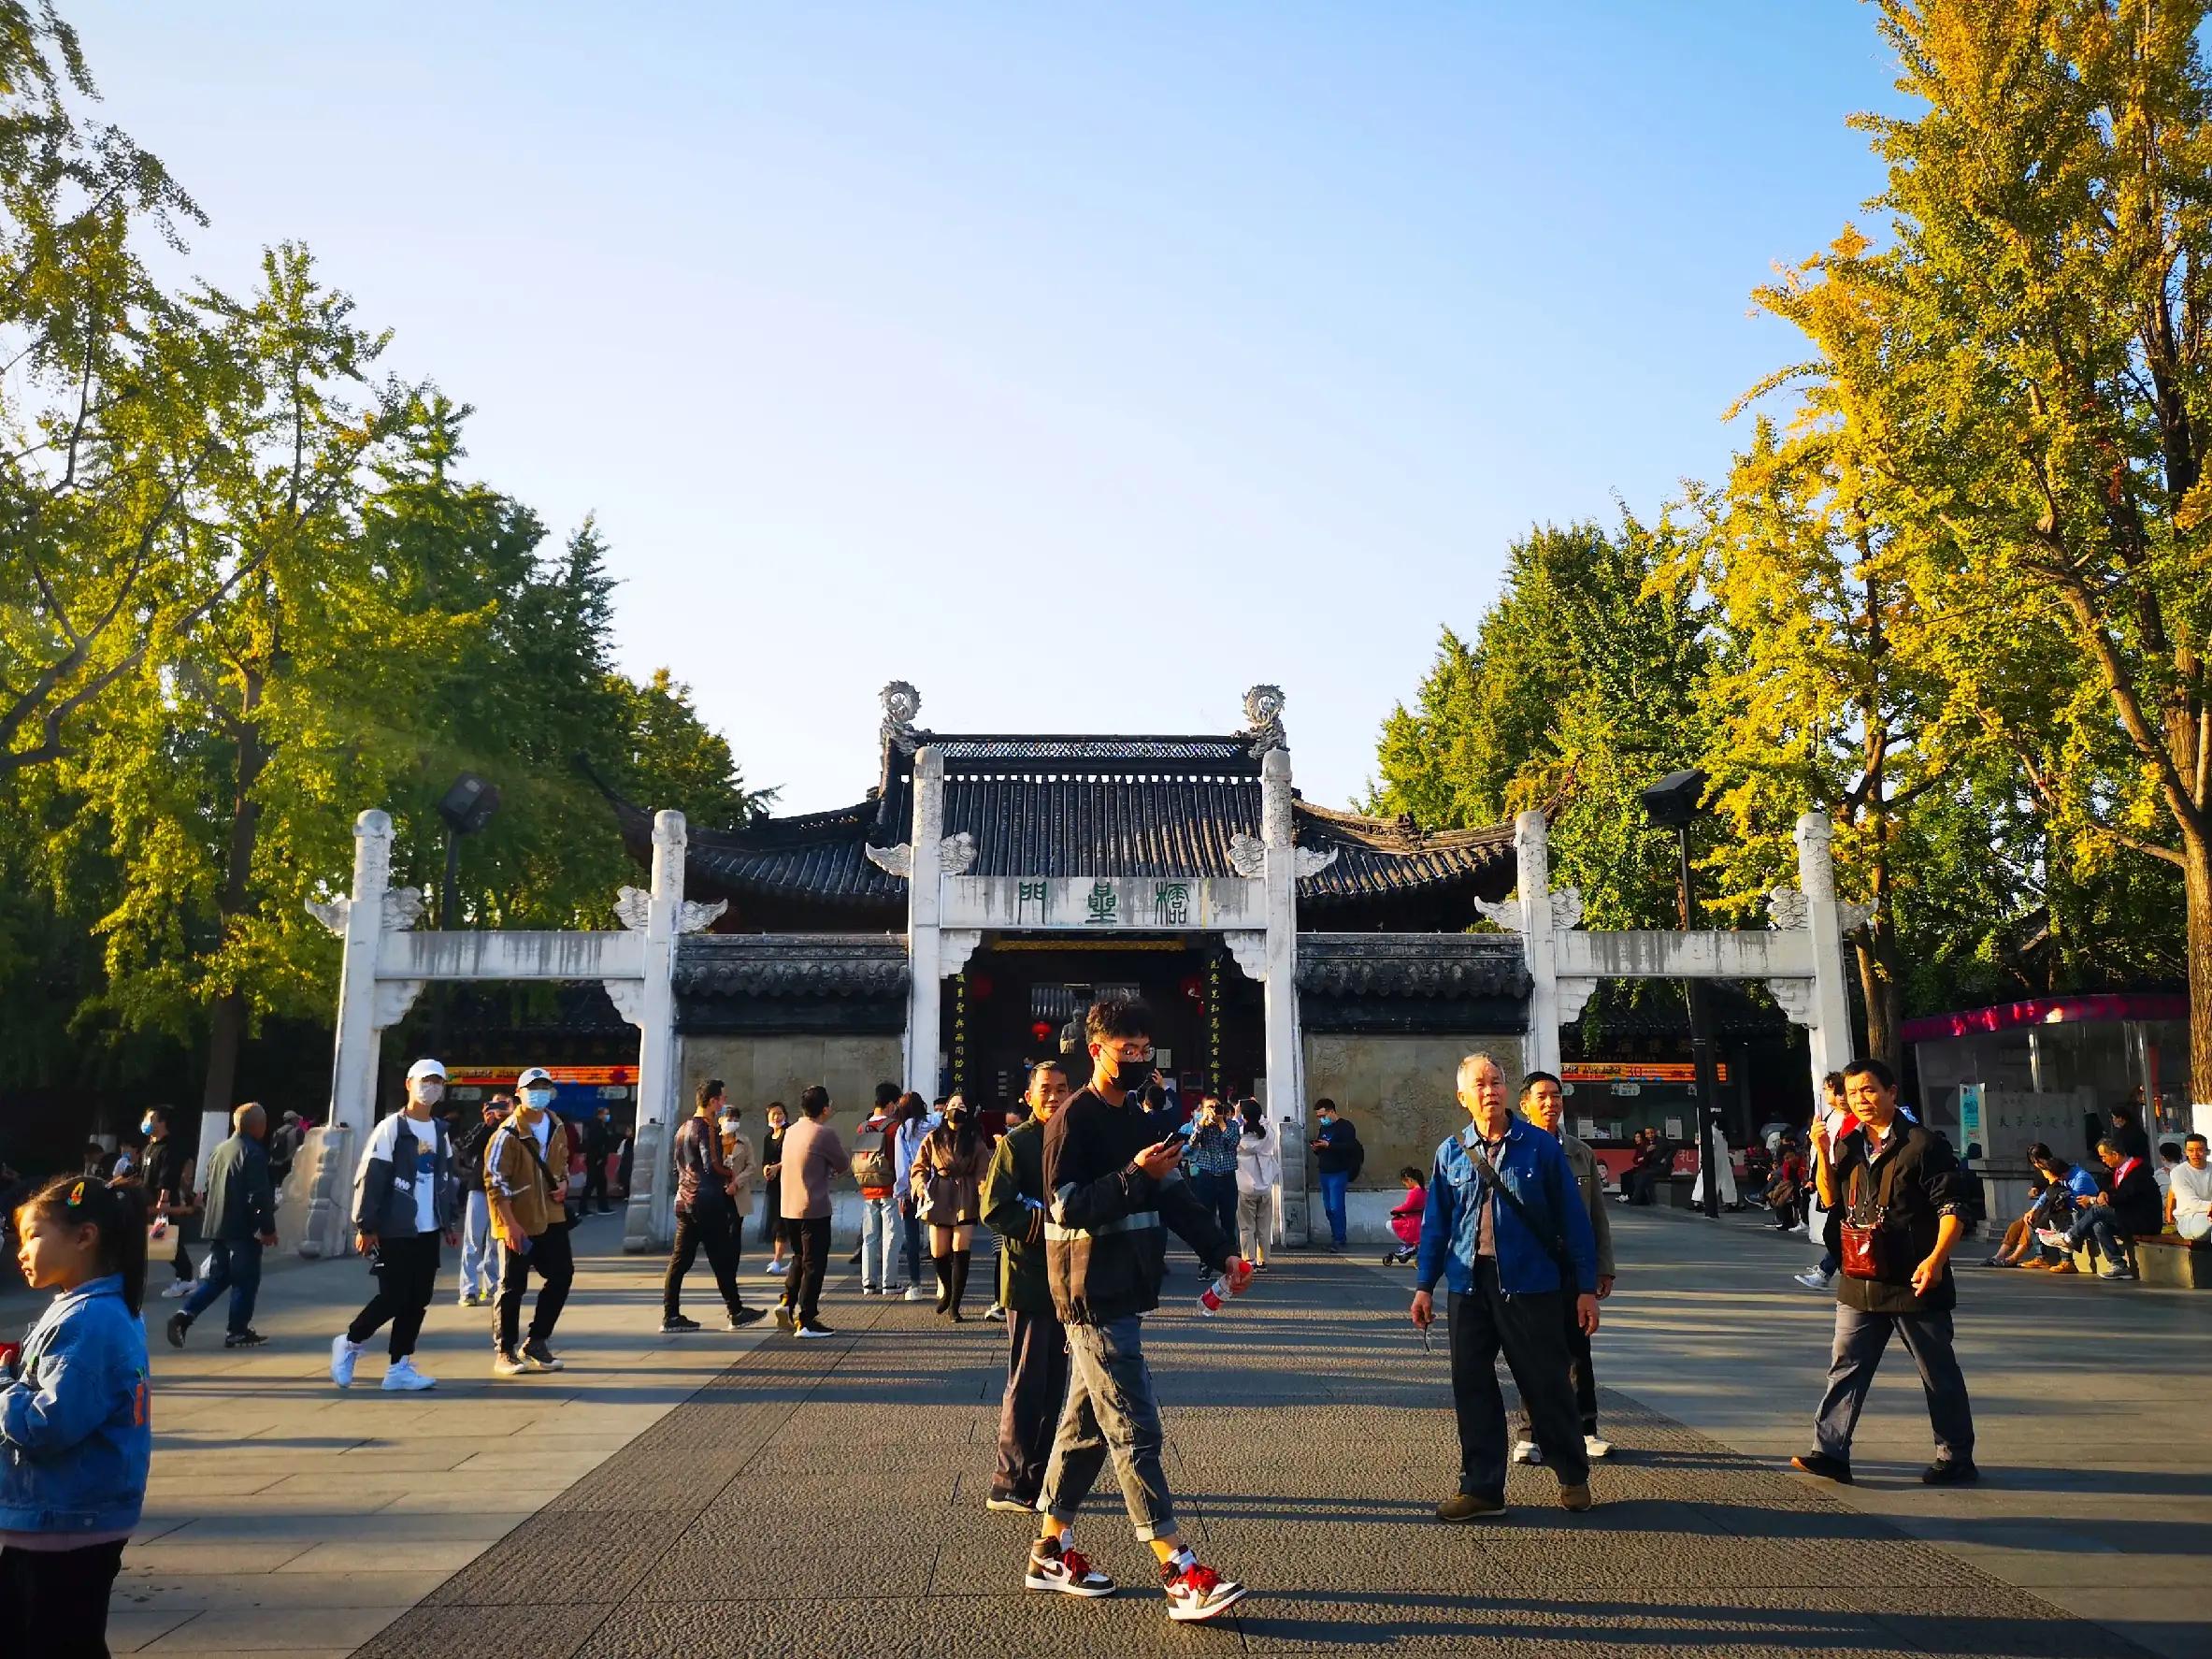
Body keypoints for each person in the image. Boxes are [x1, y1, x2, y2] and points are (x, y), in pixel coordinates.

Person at [1025, 998, 1250, 1623]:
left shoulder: (1140, 1118)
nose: (1139, 1061)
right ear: (1096, 1050)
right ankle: (1178, 1567)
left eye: (1145, 1050)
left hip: (1126, 1285)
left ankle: (1048, 1548)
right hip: (1089, 1291)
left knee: (1087, 1427)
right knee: (1133, 1426)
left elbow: (1173, 1195)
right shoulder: (1072, 1120)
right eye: (1128, 1051)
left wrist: (1223, 1253)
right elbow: (1065, 1205)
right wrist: (1132, 1175)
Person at [1412, 1053, 1598, 1522]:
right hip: (1468, 1284)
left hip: (1531, 1284)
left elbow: (1574, 1221)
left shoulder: (1539, 1147)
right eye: (1480, 1083)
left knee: (1545, 1383)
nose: (1490, 1089)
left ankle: (1572, 1474)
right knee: (1471, 1386)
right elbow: (1436, 1225)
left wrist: (1586, 1287)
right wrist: (1423, 1286)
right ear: (1463, 1098)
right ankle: (1482, 1488)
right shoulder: (1450, 1152)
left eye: (1495, 1081)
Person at [1793, 1056, 1976, 1487]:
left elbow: (1952, 1209)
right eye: (1853, 1093)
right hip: (1860, 1277)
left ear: (1892, 1092)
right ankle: (1831, 1452)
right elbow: (1830, 1198)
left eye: (1869, 1090)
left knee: (1937, 1371)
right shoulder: (1849, 1145)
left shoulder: (1923, 1145)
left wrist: (1936, 1259)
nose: (1861, 1100)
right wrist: (1820, 1150)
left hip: (1914, 1277)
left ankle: (1955, 1456)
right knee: (1845, 1366)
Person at [3, 1174, 151, 1659]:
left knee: (49, 1640)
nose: (21, 1251)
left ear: (85, 1237)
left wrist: (4, 1390)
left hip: (62, 1522)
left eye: (33, 1236)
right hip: (68, 1516)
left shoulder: (88, 1320)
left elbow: (49, 1425)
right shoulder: (94, 1308)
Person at [333, 1060, 459, 1392]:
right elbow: (372, 1177)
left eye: (437, 1082)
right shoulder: (391, 1128)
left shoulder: (439, 1132)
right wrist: (366, 1226)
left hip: (428, 1228)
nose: (431, 1087)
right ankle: (349, 1342)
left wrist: (448, 1222)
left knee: (418, 1298)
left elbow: (445, 1179)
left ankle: (399, 1366)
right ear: (409, 1084)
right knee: (393, 1297)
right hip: (395, 1227)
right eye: (425, 1081)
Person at [982, 1060, 1072, 1512]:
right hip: (1030, 1275)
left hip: (1068, 1279)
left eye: (1061, 1088)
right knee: (1026, 1380)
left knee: (1055, 1382)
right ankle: (1008, 1479)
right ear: (1028, 1095)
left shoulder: (1073, 1138)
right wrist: (1043, 1224)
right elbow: (994, 1208)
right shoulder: (1018, 1143)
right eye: (1045, 1089)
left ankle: (1037, 1474)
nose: (1053, 1096)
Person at [1513, 1072, 1616, 1464]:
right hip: (1530, 1268)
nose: (1550, 1103)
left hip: (1572, 1267)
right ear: (1524, 1104)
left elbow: (1596, 1216)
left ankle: (1586, 1428)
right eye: (1541, 1097)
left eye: (1556, 1096)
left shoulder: (1579, 1153)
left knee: (1578, 1350)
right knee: (1532, 1352)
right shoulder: (1513, 1150)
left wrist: (1602, 1268)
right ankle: (1531, 1433)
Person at [485, 1068, 576, 1377]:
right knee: (512, 1286)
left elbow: (562, 1164)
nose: (538, 1093)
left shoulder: (557, 1126)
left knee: (562, 1275)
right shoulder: (508, 1133)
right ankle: (505, 1350)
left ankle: (537, 1341)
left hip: (552, 1215)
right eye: (531, 1088)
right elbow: (495, 1182)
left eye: (544, 1087)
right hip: (518, 1220)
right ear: (519, 1094)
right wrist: (509, 1224)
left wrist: (563, 1184)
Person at [166, 1104, 276, 1351]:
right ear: (258, 1126)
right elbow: (258, 1195)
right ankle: (237, 1332)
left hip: (218, 1225)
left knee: (219, 1278)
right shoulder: (253, 1153)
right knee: (245, 1280)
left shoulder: (220, 1150)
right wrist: (267, 1228)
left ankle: (184, 1316)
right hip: (242, 1227)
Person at [662, 1079, 768, 1334]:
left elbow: (677, 1165)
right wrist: (729, 1175)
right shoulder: (706, 1127)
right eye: (721, 1099)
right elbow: (713, 1165)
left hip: (685, 1200)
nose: (723, 1105)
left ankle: (671, 1314)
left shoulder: (683, 1127)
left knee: (679, 1260)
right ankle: (736, 1311)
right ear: (711, 1101)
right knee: (722, 1257)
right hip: (707, 1201)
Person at [776, 1086, 848, 1337]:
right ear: (825, 1108)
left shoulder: (791, 1131)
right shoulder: (824, 1133)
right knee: (815, 1264)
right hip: (813, 1207)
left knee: (799, 1257)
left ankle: (787, 1301)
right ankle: (806, 1320)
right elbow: (843, 1164)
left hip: (788, 1207)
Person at [912, 1093, 991, 1320]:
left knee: (961, 1249)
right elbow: (920, 1165)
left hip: (965, 1193)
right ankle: (947, 1290)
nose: (957, 1108)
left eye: (962, 1105)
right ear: (945, 1109)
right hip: (940, 1191)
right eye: (954, 1105)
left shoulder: (974, 1139)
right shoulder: (933, 1137)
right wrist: (919, 1184)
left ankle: (955, 1304)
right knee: (939, 1251)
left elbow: (982, 1170)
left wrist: (983, 1190)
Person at [2064, 1136, 2159, 1279]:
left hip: (2143, 1219)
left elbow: (2125, 1196)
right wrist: (2103, 1193)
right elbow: (2108, 1189)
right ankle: (2119, 1265)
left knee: (2097, 1209)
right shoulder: (2117, 1171)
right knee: (2099, 1225)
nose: (2103, 1160)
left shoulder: (2138, 1171)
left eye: (2104, 1156)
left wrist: (2092, 1200)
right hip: (2127, 1216)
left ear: (2115, 1154)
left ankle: (2071, 1236)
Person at [1794, 1073, 1856, 1290]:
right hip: (1831, 1175)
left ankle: (1829, 1270)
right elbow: (1818, 1151)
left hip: (1850, 1178)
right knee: (1836, 1229)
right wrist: (1813, 1177)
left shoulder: (1855, 1119)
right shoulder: (1828, 1118)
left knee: (1836, 1230)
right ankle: (1833, 1270)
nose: (1833, 1095)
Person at [135, 1105, 198, 1302]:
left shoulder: (169, 1148)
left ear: (162, 1123)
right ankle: (184, 1277)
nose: (147, 1122)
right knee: (159, 1242)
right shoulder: (149, 1147)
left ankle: (186, 1279)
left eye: (152, 1118)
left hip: (162, 1204)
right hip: (146, 1201)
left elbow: (168, 1176)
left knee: (169, 1243)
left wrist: (164, 1201)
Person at [452, 1097, 505, 1306]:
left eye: (504, 1104)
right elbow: (467, 1150)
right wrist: (486, 1125)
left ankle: (492, 1286)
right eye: (496, 1104)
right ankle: (468, 1290)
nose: (499, 1109)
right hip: (480, 1187)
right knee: (473, 1241)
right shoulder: (482, 1127)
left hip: (503, 1191)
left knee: (496, 1240)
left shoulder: (515, 1127)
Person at [852, 1084, 900, 1296]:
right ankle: (889, 1283)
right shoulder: (895, 1127)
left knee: (869, 1238)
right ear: (890, 1104)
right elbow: (899, 1159)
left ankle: (868, 1283)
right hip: (889, 1187)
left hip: (867, 1188)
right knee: (891, 1237)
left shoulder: (862, 1127)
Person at [892, 1092, 935, 1300]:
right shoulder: (934, 1126)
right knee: (938, 1235)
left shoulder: (902, 1131)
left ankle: (916, 1285)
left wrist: (900, 1192)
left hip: (912, 1187)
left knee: (912, 1238)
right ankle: (943, 1283)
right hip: (936, 1185)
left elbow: (902, 1166)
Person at [1183, 1097, 1241, 1249]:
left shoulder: (1232, 1125)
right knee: (1206, 1221)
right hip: (1206, 1177)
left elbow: (1233, 1142)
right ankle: (1206, 1263)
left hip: (1227, 1177)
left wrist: (1221, 1123)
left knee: (1228, 1222)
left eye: (1217, 1107)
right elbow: (1192, 1143)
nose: (1214, 1110)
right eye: (1210, 1107)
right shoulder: (1202, 1127)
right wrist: (1201, 1123)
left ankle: (1230, 1259)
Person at [1233, 1098, 1282, 1270]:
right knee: (1264, 1225)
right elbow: (1266, 1122)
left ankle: (1249, 1259)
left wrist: (1236, 1114)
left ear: (1244, 1116)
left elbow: (1231, 1132)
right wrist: (1256, 1109)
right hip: (1265, 1186)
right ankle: (1263, 1260)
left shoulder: (1239, 1135)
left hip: (1245, 1187)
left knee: (1246, 1226)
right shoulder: (1267, 1134)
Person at [1311, 1100, 1361, 1249]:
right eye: (1319, 1116)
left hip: (1338, 1172)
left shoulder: (1345, 1127)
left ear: (1331, 1111)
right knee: (1328, 1208)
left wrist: (1330, 1145)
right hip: (1325, 1171)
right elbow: (1322, 1146)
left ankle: (1339, 1238)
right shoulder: (1324, 1128)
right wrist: (1317, 1148)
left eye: (1323, 1115)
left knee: (1336, 1207)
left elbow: (1350, 1147)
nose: (1321, 1119)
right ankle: (1335, 1236)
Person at [759, 1101, 791, 1277]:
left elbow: (794, 1156)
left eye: (779, 1113)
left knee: (787, 1222)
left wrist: (778, 1166)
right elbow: (765, 1160)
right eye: (773, 1114)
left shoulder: (789, 1133)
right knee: (777, 1222)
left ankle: (782, 1260)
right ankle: (778, 1260)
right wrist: (766, 1169)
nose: (776, 1117)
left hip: (788, 1182)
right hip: (774, 1184)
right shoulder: (767, 1137)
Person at [2163, 1133, 2211, 1239]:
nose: (2195, 1154)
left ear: (2207, 1151)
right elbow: (2192, 1204)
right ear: (2185, 1152)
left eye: (2199, 1150)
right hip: (2188, 1218)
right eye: (2190, 1150)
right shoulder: (2178, 1172)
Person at [1384, 1166, 1425, 1266]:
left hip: (1412, 1223)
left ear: (1409, 1180)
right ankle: (1410, 1245)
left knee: (1389, 1225)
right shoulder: (1424, 1192)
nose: (1405, 1185)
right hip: (1420, 1221)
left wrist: (1395, 1210)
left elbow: (1407, 1206)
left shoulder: (1414, 1192)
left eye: (1405, 1182)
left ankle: (1410, 1244)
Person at [582, 1104, 615, 1215]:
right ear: (600, 1115)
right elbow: (596, 1143)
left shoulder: (602, 1125)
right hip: (595, 1159)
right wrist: (599, 1157)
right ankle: (583, 1208)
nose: (608, 1116)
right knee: (591, 1183)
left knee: (601, 1184)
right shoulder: (596, 1127)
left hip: (597, 1159)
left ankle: (603, 1207)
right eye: (606, 1114)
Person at [2105, 1100, 2152, 1165]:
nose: (2113, 1120)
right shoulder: (2136, 1128)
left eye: (2114, 1117)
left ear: (2120, 1118)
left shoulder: (2125, 1133)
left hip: (2132, 1163)